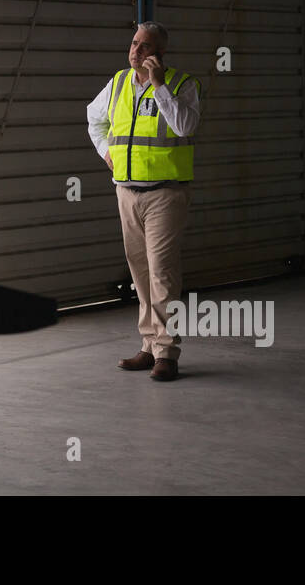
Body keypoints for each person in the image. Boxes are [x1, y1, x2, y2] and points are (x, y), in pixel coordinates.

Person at [85, 21, 201, 381]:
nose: (136, 51)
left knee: (162, 273)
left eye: (145, 46)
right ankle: (149, 346)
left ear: (159, 54)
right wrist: (107, 152)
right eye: (134, 43)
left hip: (166, 193)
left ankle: (167, 352)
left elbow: (185, 127)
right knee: (141, 274)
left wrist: (159, 86)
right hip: (127, 192)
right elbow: (94, 120)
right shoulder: (118, 82)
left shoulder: (183, 84)